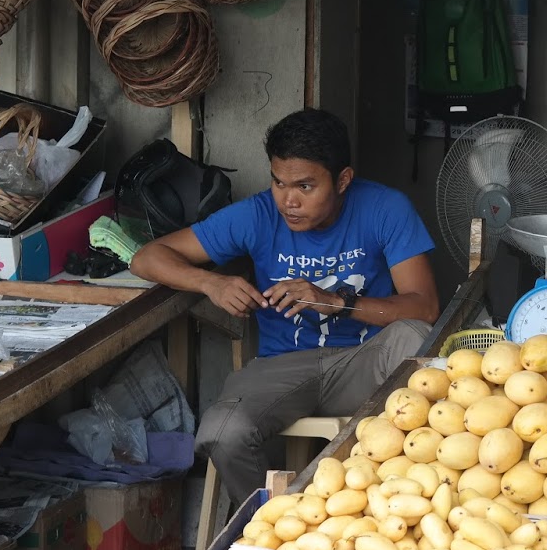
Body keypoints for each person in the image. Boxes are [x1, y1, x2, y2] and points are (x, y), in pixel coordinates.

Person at [131, 108, 439, 503]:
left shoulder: (384, 208)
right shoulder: (258, 214)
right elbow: (147, 258)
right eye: (279, 182)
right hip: (282, 367)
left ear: (342, 180)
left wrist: (336, 302)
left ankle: (387, 507)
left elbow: (425, 307)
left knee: (415, 337)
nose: (288, 201)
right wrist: (211, 282)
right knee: (223, 431)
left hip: (365, 361)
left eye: (305, 186)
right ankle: (272, 524)